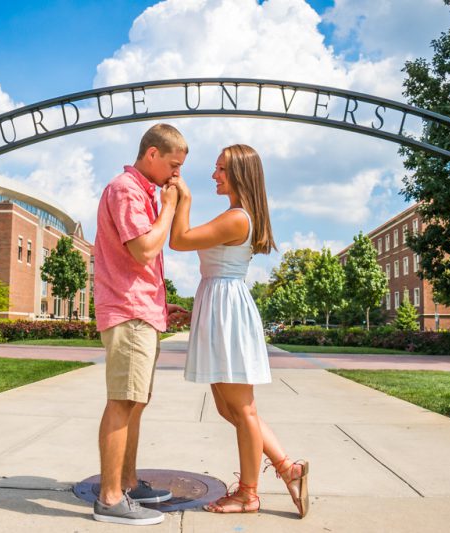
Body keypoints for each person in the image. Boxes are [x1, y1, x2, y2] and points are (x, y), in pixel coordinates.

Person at [169, 144, 309, 518]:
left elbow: (178, 239)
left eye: (220, 169)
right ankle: (287, 468)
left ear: (240, 175)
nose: (214, 175)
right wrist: (194, 310)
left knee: (242, 409)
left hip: (227, 310)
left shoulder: (237, 218)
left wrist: (183, 197)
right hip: (218, 304)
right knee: (228, 407)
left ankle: (249, 493)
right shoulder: (234, 216)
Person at [92, 123, 190, 526]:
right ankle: (111, 497)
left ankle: (128, 482)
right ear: (152, 154)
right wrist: (168, 206)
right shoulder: (127, 190)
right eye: (172, 165)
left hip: (143, 311)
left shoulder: (144, 192)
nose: (176, 175)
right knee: (122, 400)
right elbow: (145, 250)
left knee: (135, 401)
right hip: (129, 311)